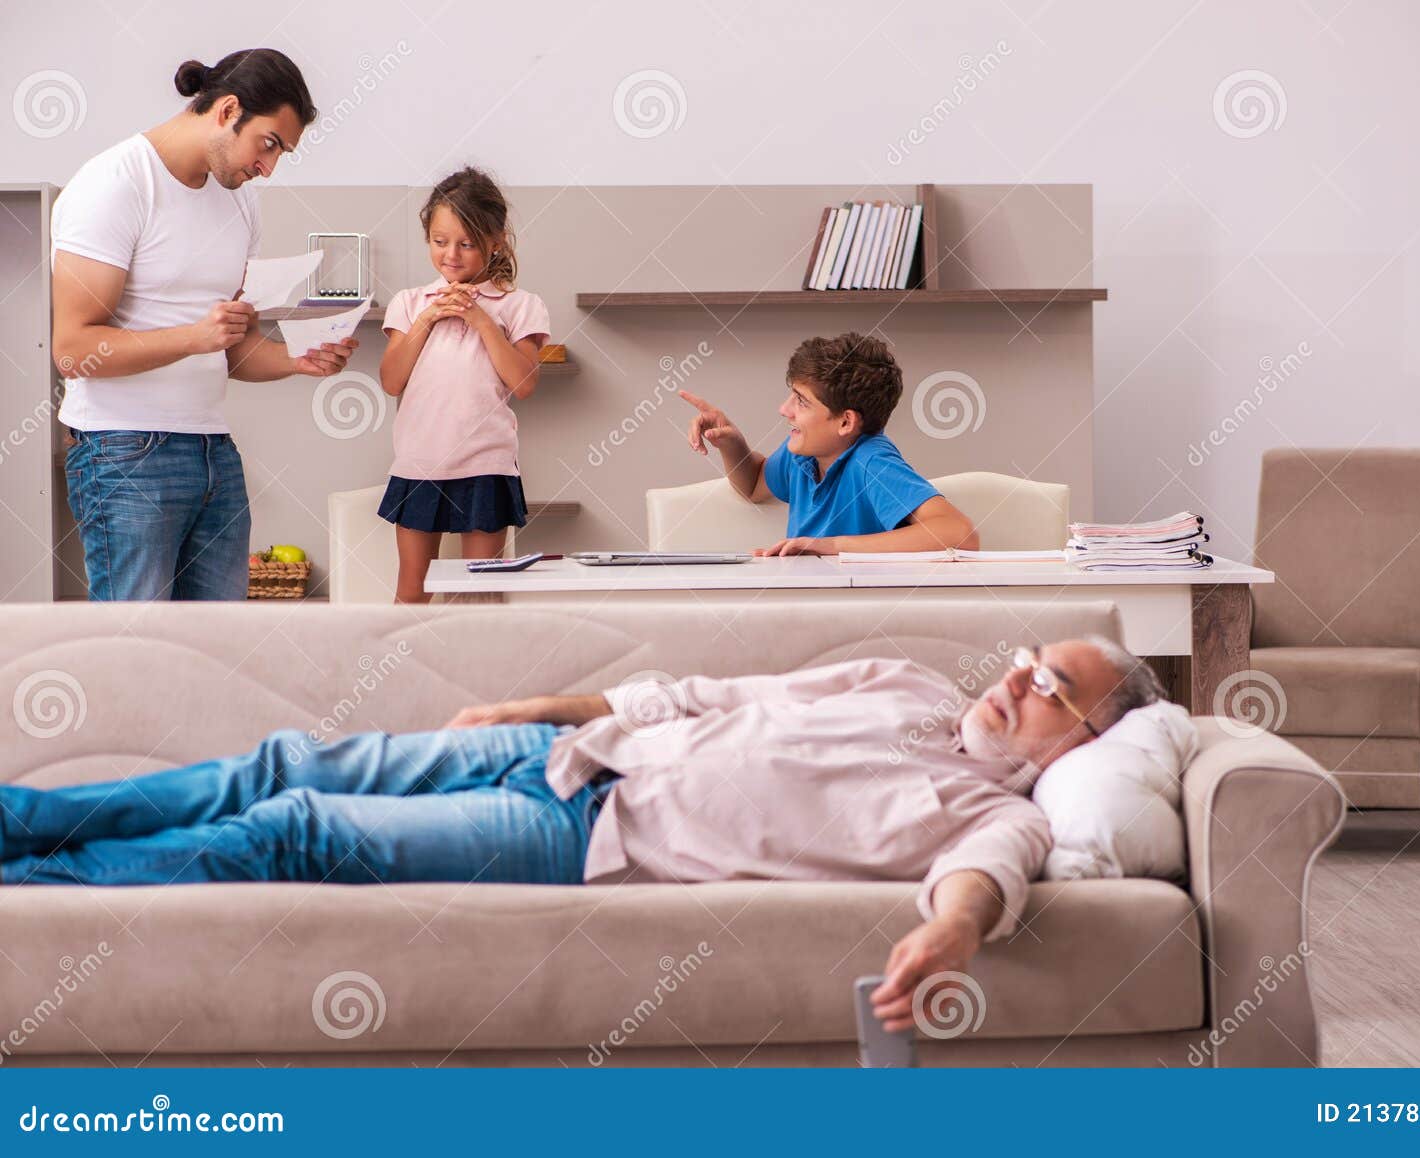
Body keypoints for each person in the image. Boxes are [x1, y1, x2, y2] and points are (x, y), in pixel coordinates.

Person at [0, 637, 1163, 1030]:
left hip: (583, 836)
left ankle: (43, 886)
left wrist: (950, 935)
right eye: (1025, 658)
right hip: (570, 753)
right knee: (282, 765)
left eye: (1049, 684)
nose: (1016, 678)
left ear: (1085, 738)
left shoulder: (1000, 814)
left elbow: (983, 879)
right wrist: (541, 706)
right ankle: (21, 822)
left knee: (291, 830)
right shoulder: (906, 681)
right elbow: (707, 693)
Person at [49, 49, 358, 600]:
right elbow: (72, 349)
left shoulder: (240, 204)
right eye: (268, 144)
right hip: (123, 452)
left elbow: (231, 345)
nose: (268, 167)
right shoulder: (114, 184)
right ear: (228, 110)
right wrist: (196, 337)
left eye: (282, 153)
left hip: (213, 450)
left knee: (219, 643)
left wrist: (296, 361)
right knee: (135, 642)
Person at [377, 167, 549, 603]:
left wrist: (480, 320)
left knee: (481, 598)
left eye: (467, 244)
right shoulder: (410, 303)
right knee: (411, 593)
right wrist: (429, 318)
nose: (451, 255)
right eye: (440, 241)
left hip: (486, 466)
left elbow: (525, 383)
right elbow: (391, 380)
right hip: (419, 465)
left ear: (495, 242)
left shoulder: (520, 305)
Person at [678, 332, 977, 556]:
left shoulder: (871, 462)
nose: (784, 409)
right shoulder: (803, 454)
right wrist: (731, 442)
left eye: (802, 402)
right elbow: (754, 485)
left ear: (845, 422)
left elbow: (960, 534)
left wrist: (833, 546)